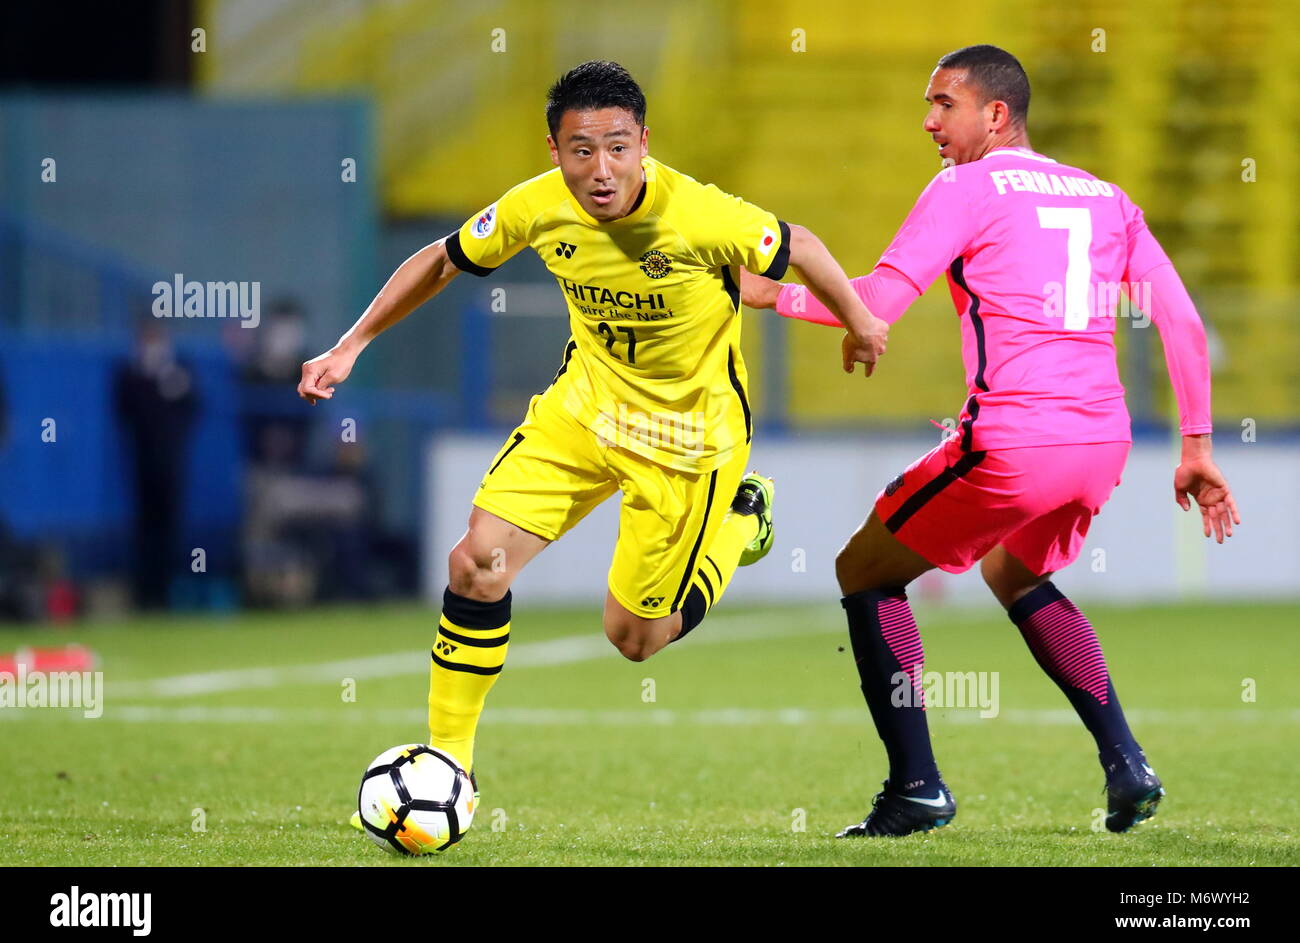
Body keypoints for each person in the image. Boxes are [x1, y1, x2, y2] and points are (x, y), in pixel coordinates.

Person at [296, 61, 883, 829]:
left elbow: (798, 245)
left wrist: (861, 322)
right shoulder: (537, 207)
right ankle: (450, 763)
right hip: (584, 412)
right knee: (477, 564)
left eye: (615, 147)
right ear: (554, 149)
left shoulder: (701, 214)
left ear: (644, 143)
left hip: (688, 442)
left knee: (634, 639)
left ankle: (741, 519)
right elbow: (442, 257)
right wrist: (350, 346)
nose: (599, 170)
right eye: (580, 149)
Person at [741, 45, 1240, 837]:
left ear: (996, 114)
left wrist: (769, 293)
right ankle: (1127, 762)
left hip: (1015, 442)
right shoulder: (1107, 198)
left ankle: (916, 788)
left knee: (863, 571)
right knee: (1014, 570)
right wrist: (1198, 445)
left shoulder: (966, 185)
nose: (929, 121)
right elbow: (1177, 318)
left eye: (945, 104)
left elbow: (875, 301)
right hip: (1101, 444)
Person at [114, 317, 201, 610]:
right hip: (141, 464)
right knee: (144, 530)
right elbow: (124, 412)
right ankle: (144, 593)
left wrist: (173, 383)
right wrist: (150, 382)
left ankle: (166, 594)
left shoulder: (180, 369)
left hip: (172, 464)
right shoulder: (129, 373)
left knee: (170, 529)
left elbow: (193, 408)